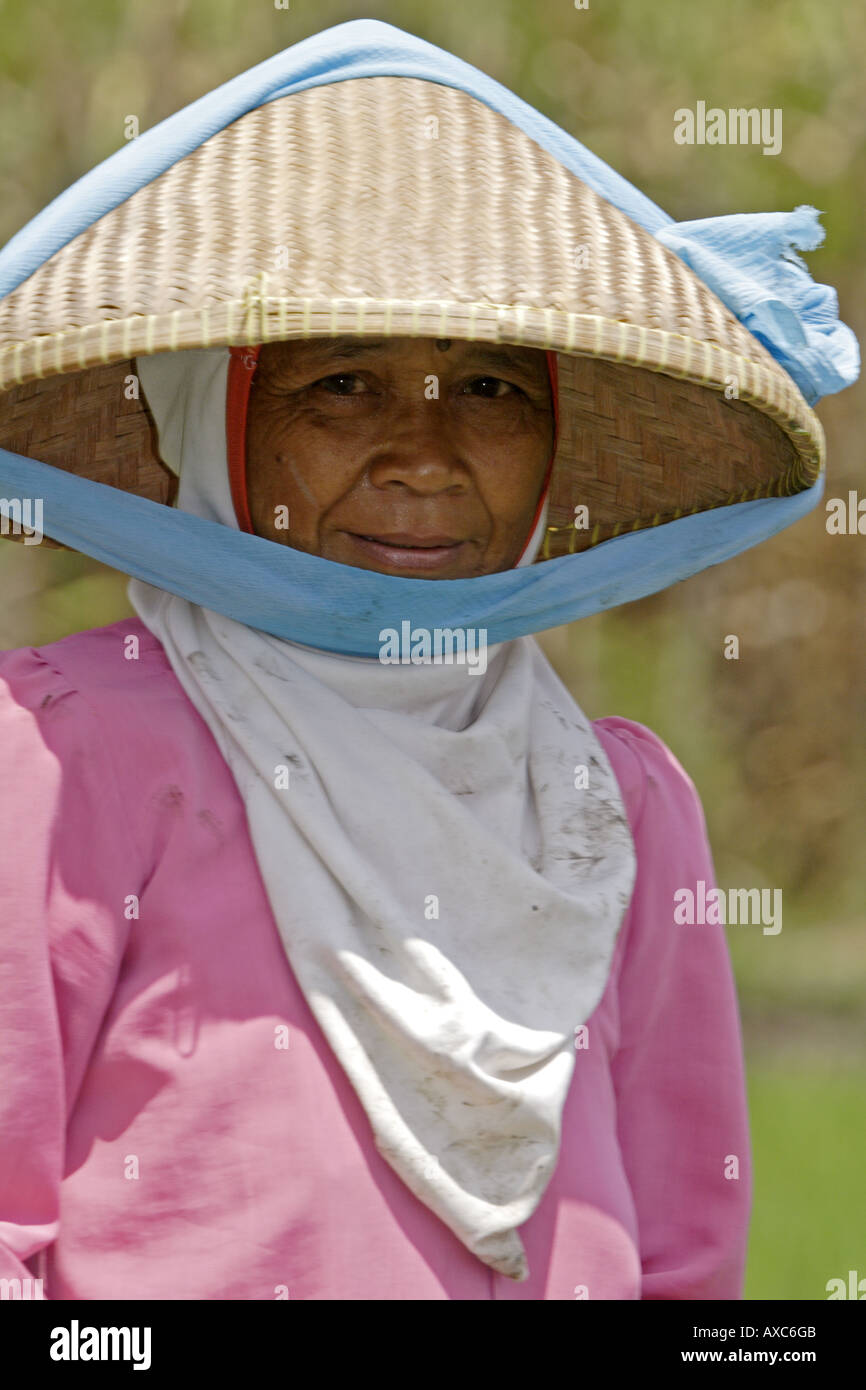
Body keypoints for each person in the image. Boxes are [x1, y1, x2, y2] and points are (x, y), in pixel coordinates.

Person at [0, 20, 857, 1301]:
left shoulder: (611, 800)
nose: (425, 453)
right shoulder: (65, 751)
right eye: (343, 383)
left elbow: (687, 1261)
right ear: (206, 421)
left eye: (494, 390)